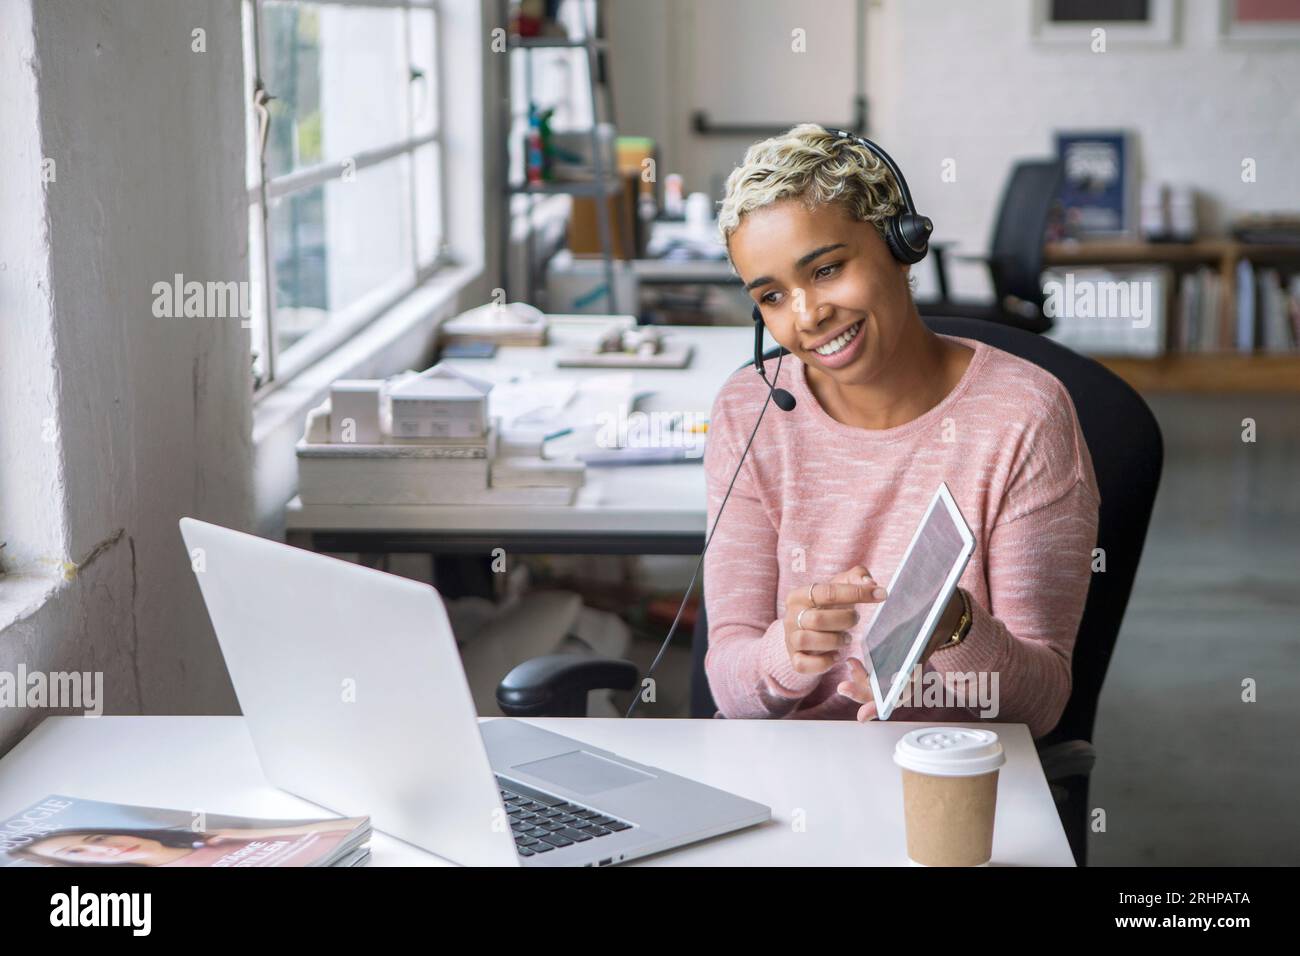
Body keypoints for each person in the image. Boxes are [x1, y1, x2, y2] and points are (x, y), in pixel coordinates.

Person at [703, 124, 1100, 738]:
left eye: (828, 269)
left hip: (946, 770)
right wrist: (786, 654)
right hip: (791, 773)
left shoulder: (1024, 414)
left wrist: (958, 630)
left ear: (901, 243)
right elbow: (729, 685)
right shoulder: (749, 409)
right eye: (774, 296)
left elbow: (1042, 706)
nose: (808, 315)